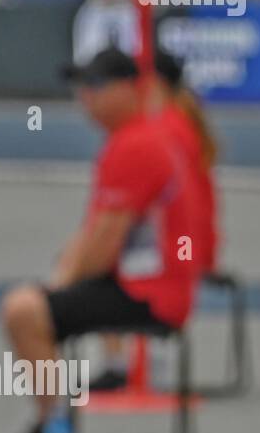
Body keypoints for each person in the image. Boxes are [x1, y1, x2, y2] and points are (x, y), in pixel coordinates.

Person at [0, 47, 201, 433]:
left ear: (130, 89)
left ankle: (52, 428)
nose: (84, 98)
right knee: (42, 298)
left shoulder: (138, 144)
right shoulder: (140, 137)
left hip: (151, 293)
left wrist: (55, 290)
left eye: (95, 86)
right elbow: (99, 234)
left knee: (23, 310)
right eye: (81, 88)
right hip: (151, 283)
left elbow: (103, 244)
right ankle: (64, 411)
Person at [89, 50, 221, 392]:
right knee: (105, 244)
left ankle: (122, 362)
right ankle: (122, 359)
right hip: (190, 242)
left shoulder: (168, 128)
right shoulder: (178, 122)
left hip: (182, 250)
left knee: (101, 254)